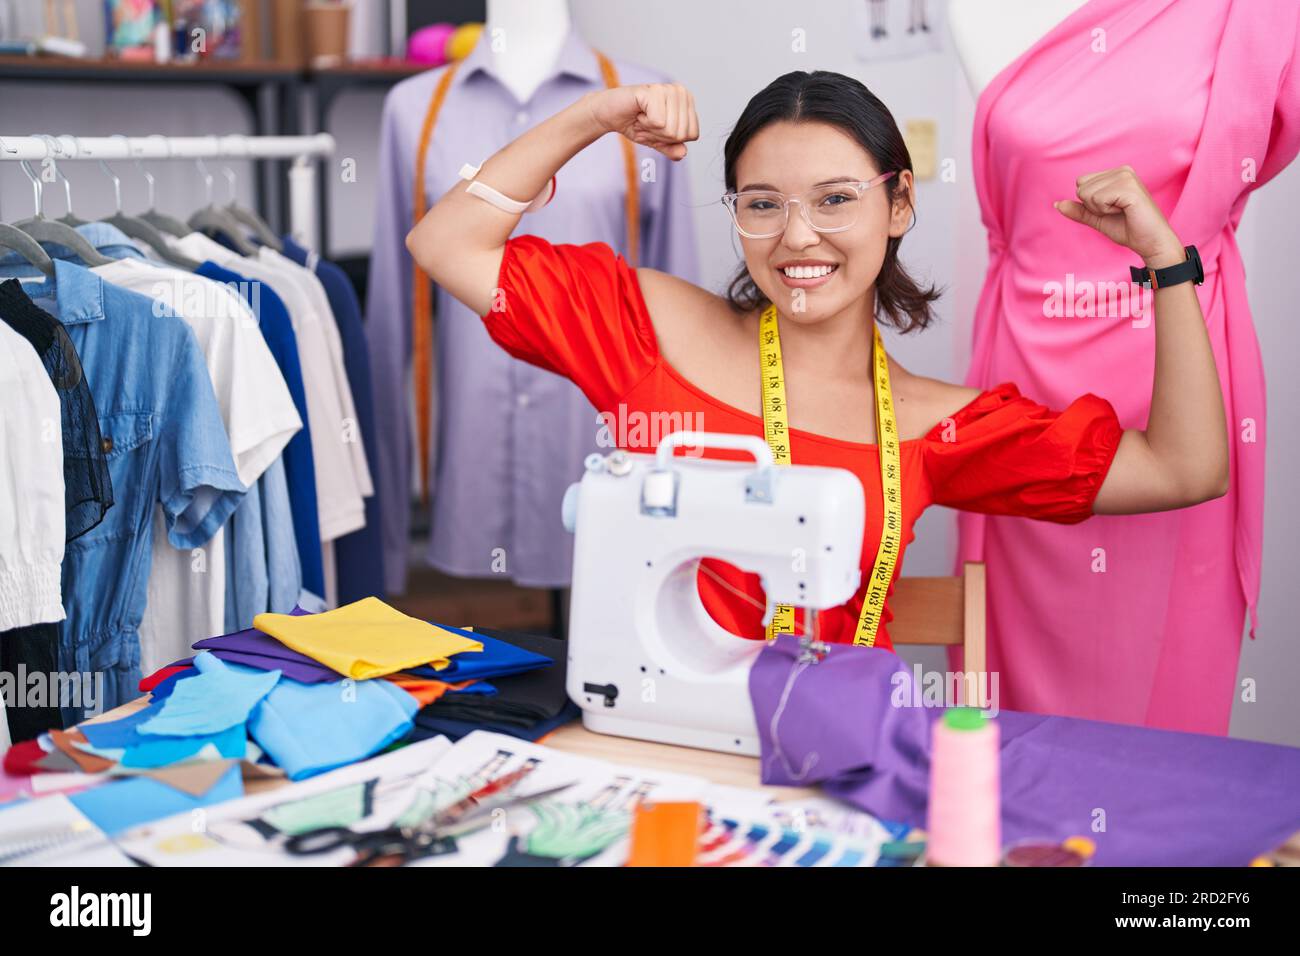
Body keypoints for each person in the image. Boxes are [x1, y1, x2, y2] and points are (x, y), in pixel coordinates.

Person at [406, 71, 1228, 652]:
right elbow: (444, 243)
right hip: (650, 752)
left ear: (899, 201)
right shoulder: (644, 327)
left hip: (814, 776)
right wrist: (591, 117)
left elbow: (1184, 469)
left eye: (836, 199)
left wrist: (1167, 262)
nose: (798, 237)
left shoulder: (939, 425)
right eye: (763, 205)